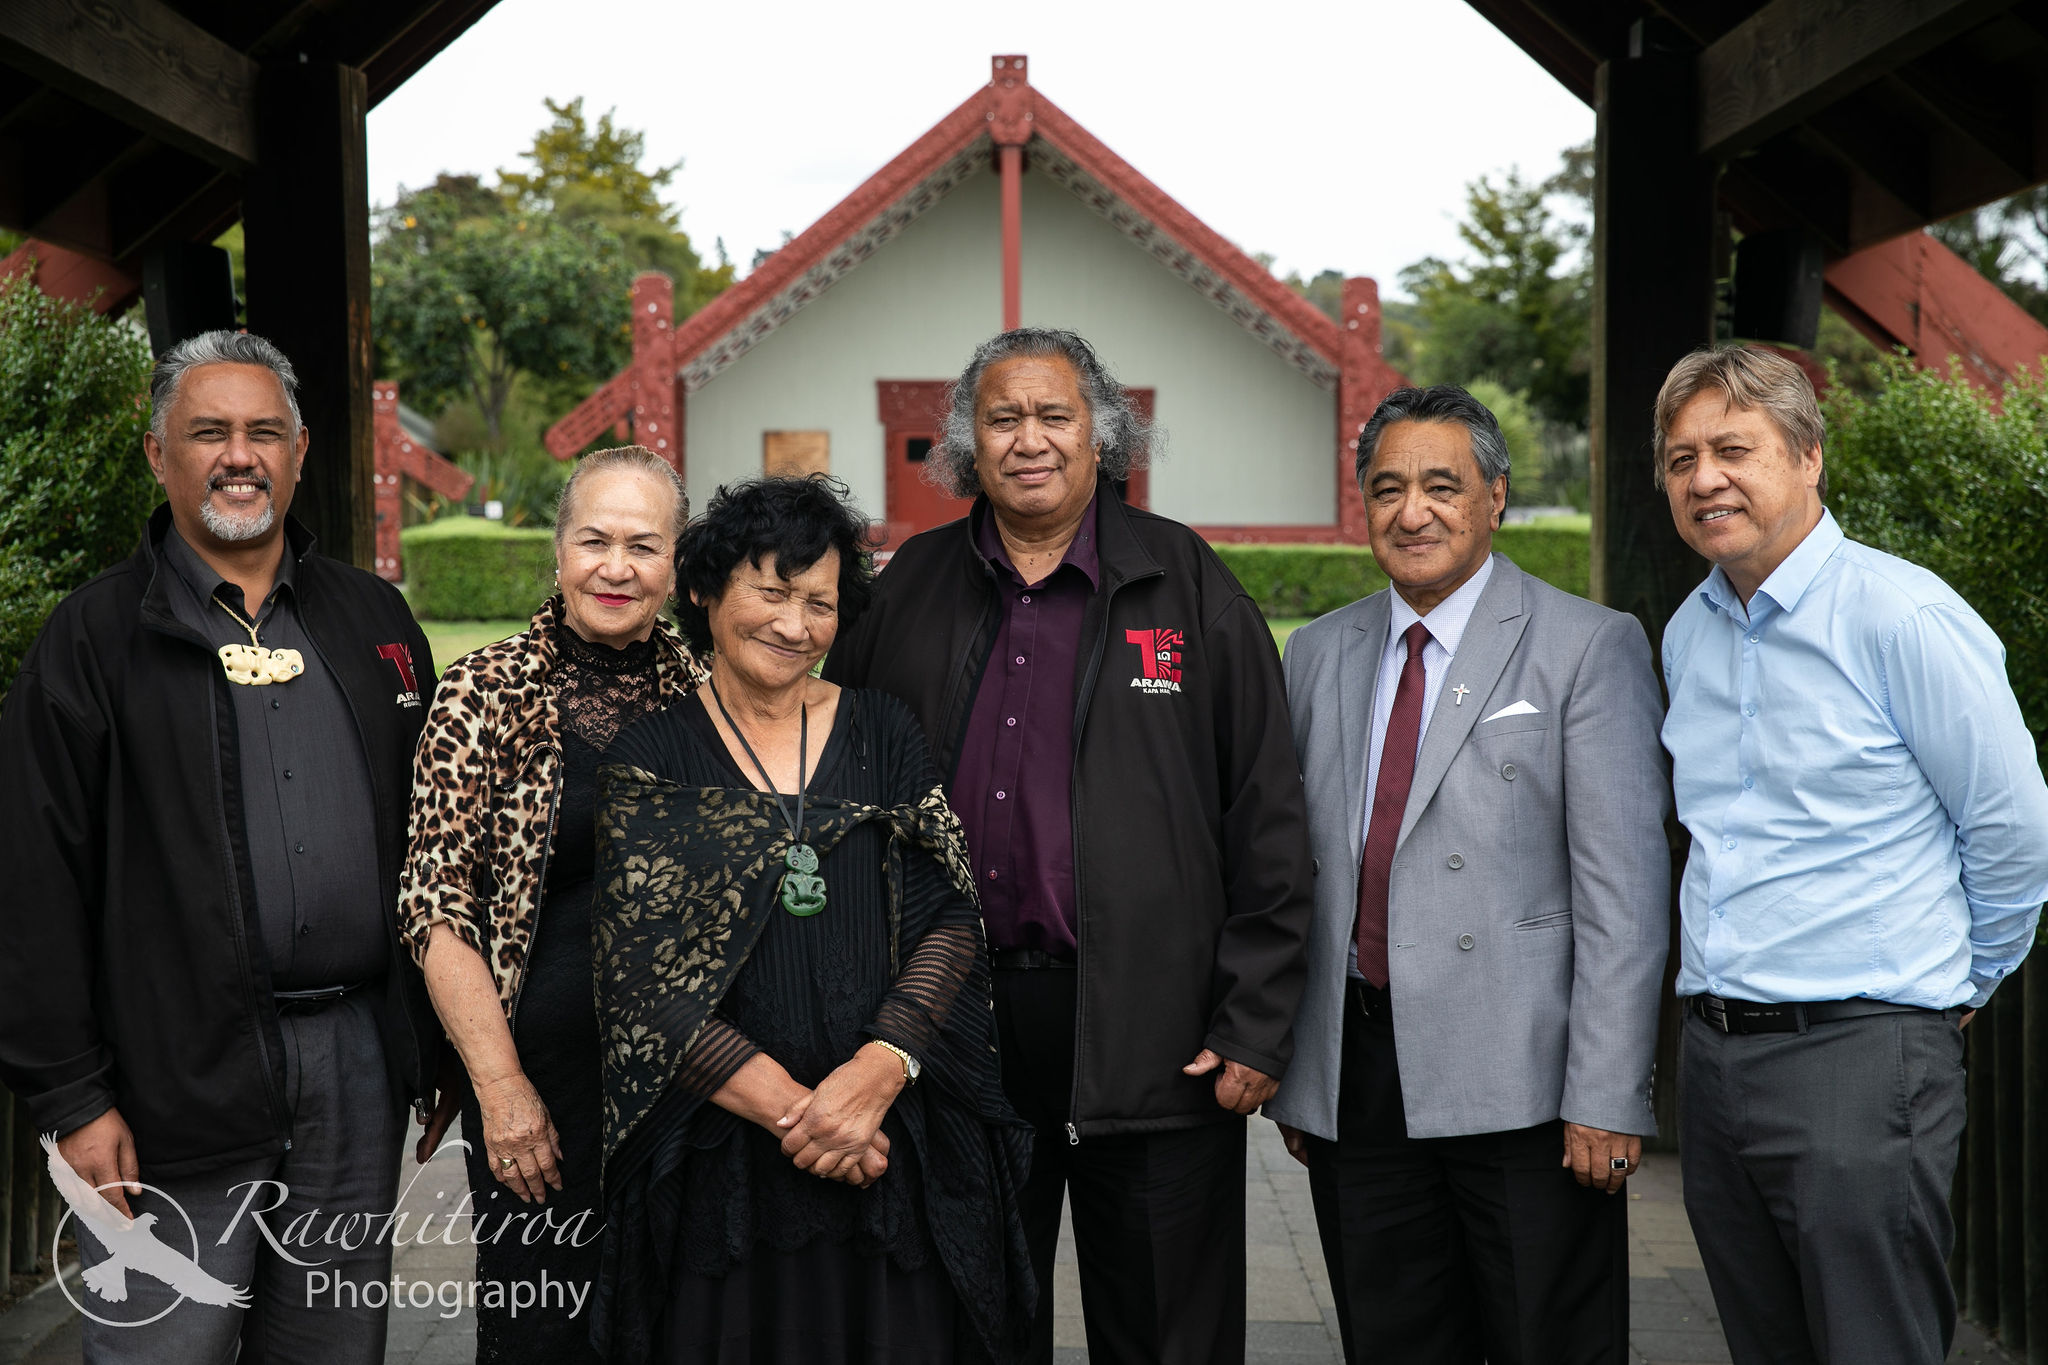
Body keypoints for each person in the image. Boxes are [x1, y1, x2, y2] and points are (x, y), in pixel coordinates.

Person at [823, 328, 1313, 1365]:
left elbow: (1266, 810)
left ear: (1102, 434)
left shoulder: (1184, 584)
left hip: (1154, 1035)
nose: (1028, 440)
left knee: (1166, 1336)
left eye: (1054, 415)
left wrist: (1257, 1019)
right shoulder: (907, 587)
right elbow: (834, 799)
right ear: (965, 444)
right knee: (969, 1324)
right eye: (1002, 418)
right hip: (952, 1035)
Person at [0, 330, 450, 1362]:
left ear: (297, 454)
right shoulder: (92, 640)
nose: (237, 455)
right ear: (159, 456)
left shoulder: (373, 620)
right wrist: (73, 1096)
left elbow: (436, 847)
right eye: (208, 432)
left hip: (354, 1068)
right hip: (170, 1075)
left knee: (332, 1348)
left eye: (262, 432)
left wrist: (434, 1045)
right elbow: (30, 881)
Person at [1653, 345, 2048, 1365]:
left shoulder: (1899, 616)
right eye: (1679, 457)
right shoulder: (1687, 633)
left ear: (1807, 456)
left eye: (1732, 449)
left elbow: (2010, 825)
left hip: (1862, 1060)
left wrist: (1953, 984)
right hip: (1713, 1057)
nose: (1702, 479)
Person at [586, 474, 1032, 1364]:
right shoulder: (652, 756)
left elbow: (949, 913)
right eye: (773, 591)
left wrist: (871, 1077)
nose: (795, 625)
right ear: (707, 589)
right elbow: (642, 976)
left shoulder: (885, 731)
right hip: (727, 1157)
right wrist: (805, 1116)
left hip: (890, 1141)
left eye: (820, 603)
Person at [1266, 384, 1670, 1364]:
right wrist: (1298, 1072)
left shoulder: (1587, 645)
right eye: (1387, 487)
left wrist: (1607, 1091)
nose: (1413, 512)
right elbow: (1295, 873)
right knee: (1389, 1337)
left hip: (1527, 1083)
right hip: (1359, 1077)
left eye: (1441, 486)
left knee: (1547, 1339)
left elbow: (1625, 893)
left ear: (1494, 495)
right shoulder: (1316, 655)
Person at [397, 445, 704, 1362]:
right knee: (544, 1332)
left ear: (677, 565)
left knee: (677, 1325)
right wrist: (500, 1089)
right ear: (558, 553)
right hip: (538, 1091)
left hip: (689, 1085)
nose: (618, 567)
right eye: (595, 540)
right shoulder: (484, 692)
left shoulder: (709, 694)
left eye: (644, 545)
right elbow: (433, 905)